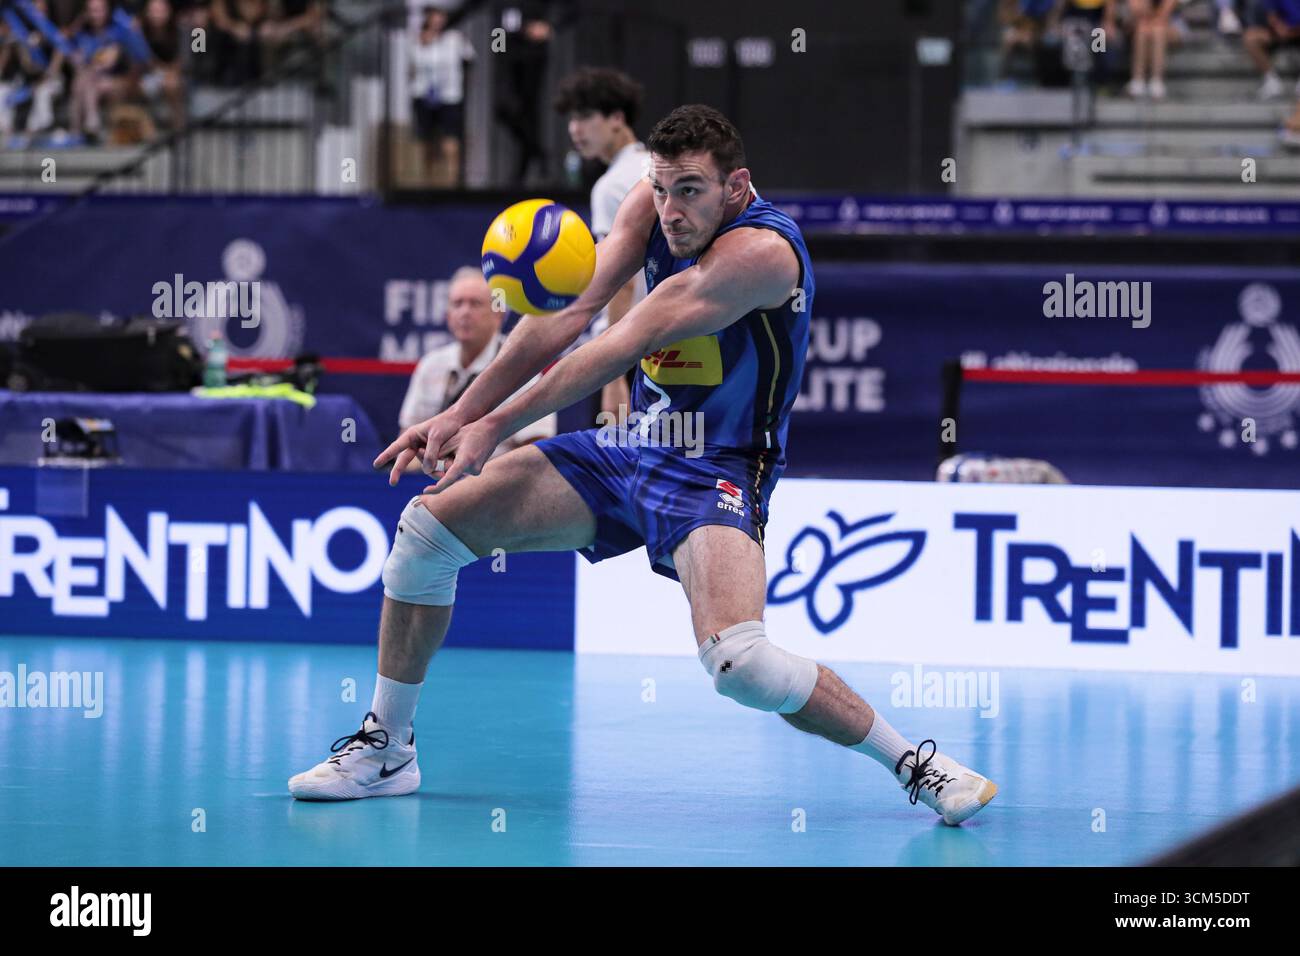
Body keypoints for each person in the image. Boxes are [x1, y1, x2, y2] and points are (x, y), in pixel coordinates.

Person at [288, 105, 998, 827]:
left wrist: (492, 424)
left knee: (740, 662)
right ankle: (386, 750)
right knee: (424, 535)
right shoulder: (646, 205)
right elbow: (568, 314)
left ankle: (920, 766)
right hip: (630, 447)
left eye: (689, 190)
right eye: (660, 188)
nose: (669, 209)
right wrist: (459, 413)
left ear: (736, 187)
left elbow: (624, 338)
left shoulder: (762, 253)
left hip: (716, 465)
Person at [554, 66, 648, 418]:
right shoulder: (656, 166)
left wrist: (612, 376)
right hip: (668, 347)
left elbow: (620, 282)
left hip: (628, 354)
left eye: (585, 117)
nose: (574, 129)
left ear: (617, 118)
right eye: (571, 119)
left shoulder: (613, 185)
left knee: (610, 468)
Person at [397, 266, 555, 458]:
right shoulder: (430, 366)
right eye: (457, 304)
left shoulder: (522, 369)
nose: (465, 312)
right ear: (447, 316)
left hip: (498, 481)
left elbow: (536, 452)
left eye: (475, 304)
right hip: (434, 477)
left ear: (499, 314)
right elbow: (408, 443)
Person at [408, 5, 474, 187]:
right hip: (424, 95)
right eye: (434, 16)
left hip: (450, 96)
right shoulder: (417, 41)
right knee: (425, 141)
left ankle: (453, 183)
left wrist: (463, 86)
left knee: (451, 140)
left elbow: (469, 62)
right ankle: (425, 182)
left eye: (441, 16)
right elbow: (411, 69)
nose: (438, 20)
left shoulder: (455, 39)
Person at [1245, 0, 1300, 100]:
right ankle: (1272, 81)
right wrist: (1281, 29)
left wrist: (1293, 32)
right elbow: (1272, 16)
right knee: (1251, 38)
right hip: (1279, 33)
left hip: (1296, 32)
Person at [1125, 0, 1176, 99]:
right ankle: (1138, 80)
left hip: (1169, 24)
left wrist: (1151, 20)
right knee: (1142, 30)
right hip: (1140, 24)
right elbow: (1136, 11)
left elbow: (1164, 14)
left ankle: (1156, 81)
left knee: (1158, 31)